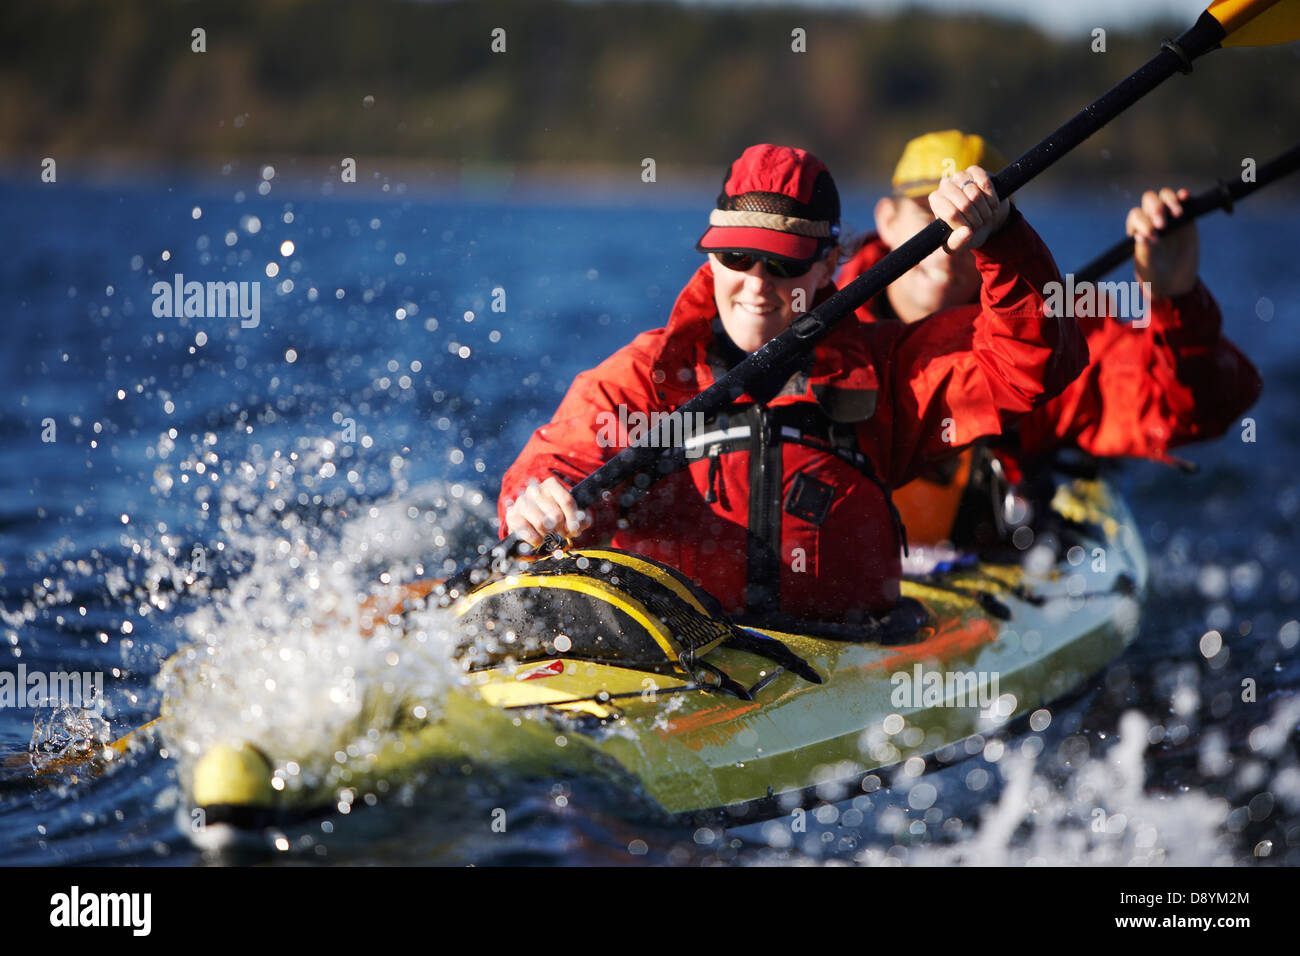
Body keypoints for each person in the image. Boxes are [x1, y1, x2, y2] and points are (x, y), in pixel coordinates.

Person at [498, 143, 1086, 626]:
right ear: (710, 259)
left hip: (844, 660)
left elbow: (1030, 362)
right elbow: (558, 459)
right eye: (736, 257)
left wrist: (1004, 240)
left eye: (782, 265)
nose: (756, 284)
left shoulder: (888, 375)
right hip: (681, 668)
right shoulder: (641, 377)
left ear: (831, 265)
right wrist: (537, 497)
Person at [837, 129, 1263, 549]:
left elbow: (1195, 410)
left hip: (997, 560)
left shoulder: (1063, 336)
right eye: (931, 216)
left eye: (978, 219)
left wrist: (1176, 302)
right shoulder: (825, 336)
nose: (952, 240)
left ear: (1004, 228)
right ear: (887, 221)